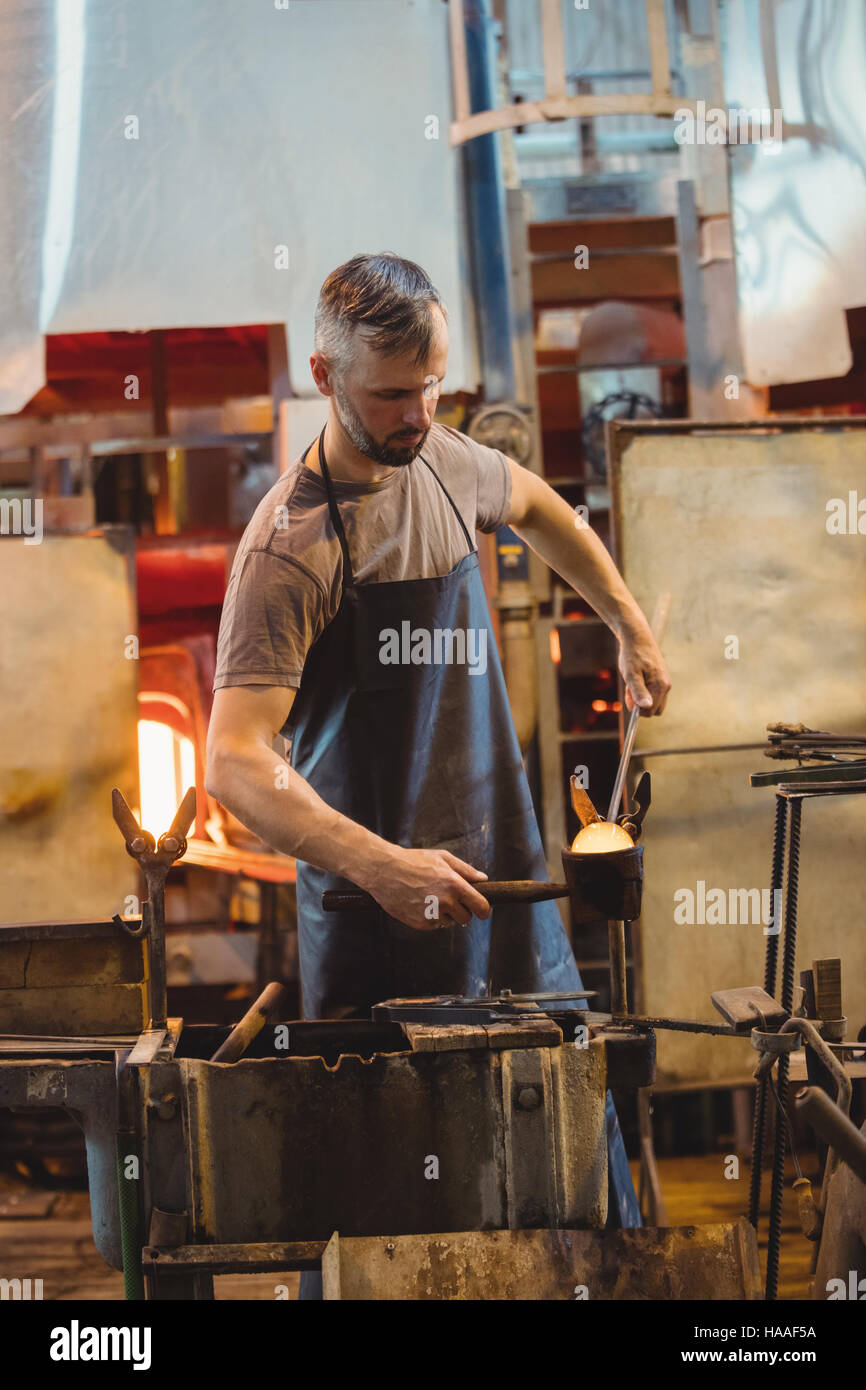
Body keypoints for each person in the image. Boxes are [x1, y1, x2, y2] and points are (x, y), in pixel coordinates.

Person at [206, 253, 671, 1288]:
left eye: (432, 386)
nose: (418, 412)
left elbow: (543, 506)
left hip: (497, 867)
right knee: (403, 1214)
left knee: (555, 1157)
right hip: (378, 920)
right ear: (324, 377)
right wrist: (380, 867)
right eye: (390, 394)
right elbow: (234, 764)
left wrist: (628, 628)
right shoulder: (287, 549)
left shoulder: (451, 462)